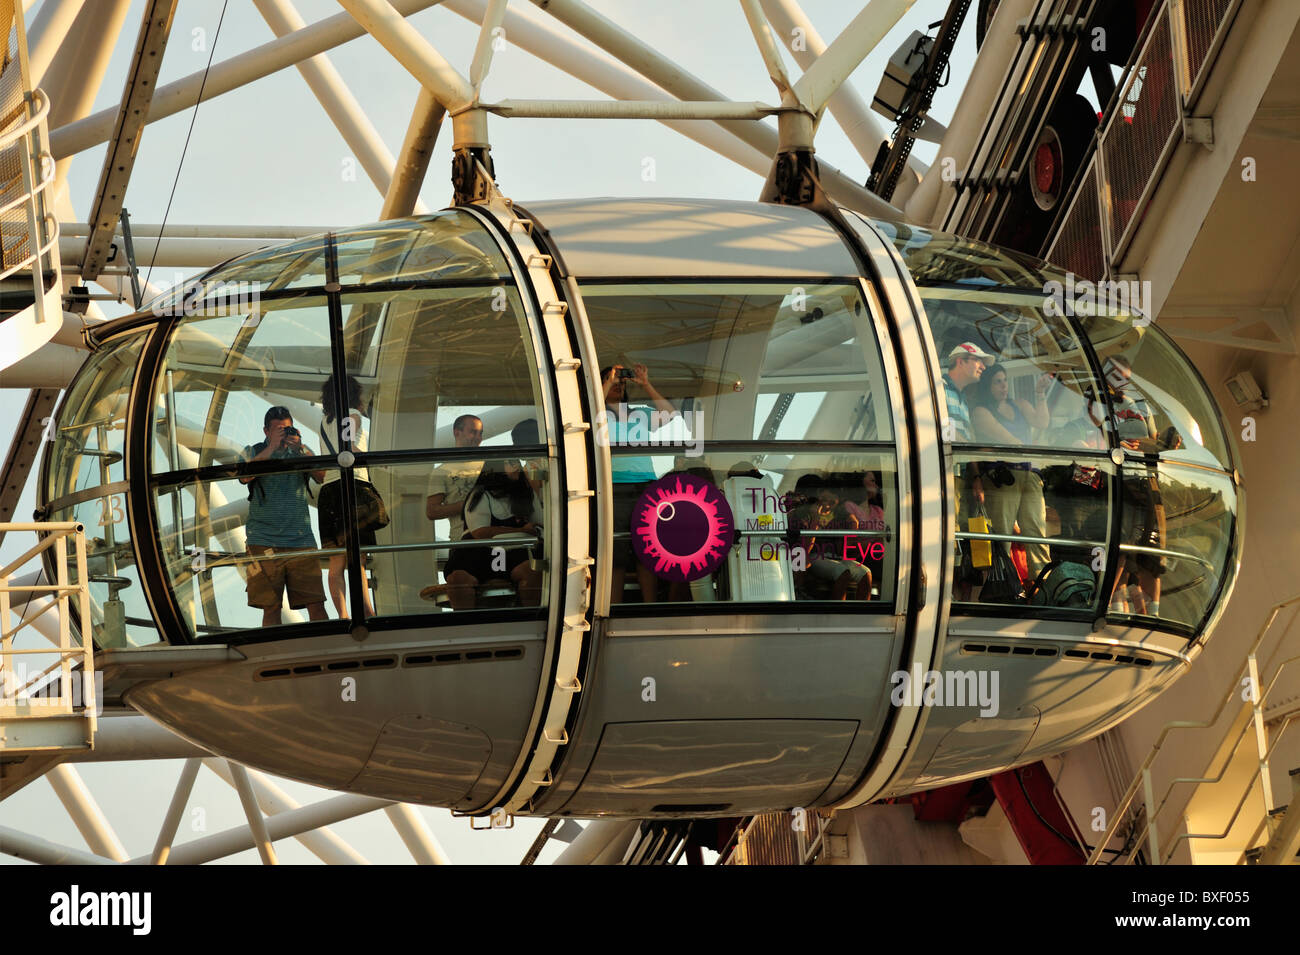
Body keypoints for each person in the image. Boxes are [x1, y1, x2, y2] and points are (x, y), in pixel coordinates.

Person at [240, 406, 328, 626]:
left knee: (316, 604)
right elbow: (243, 476)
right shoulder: (253, 450)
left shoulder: (301, 451)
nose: (284, 433)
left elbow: (322, 476)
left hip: (301, 540)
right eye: (278, 429)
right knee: (270, 607)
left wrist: (301, 450)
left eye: (287, 429)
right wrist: (271, 448)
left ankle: (323, 644)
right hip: (262, 541)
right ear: (266, 431)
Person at [602, 363, 679, 603]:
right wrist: (607, 383)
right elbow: (588, 415)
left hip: (644, 485)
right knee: (616, 555)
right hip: (613, 487)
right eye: (614, 381)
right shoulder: (595, 413)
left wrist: (646, 384)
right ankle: (613, 609)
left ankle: (650, 607)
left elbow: (670, 415)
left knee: (646, 553)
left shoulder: (639, 414)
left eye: (622, 382)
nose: (619, 385)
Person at [969, 363, 1053, 580]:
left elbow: (1042, 422)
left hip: (1028, 474)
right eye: (997, 382)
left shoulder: (1018, 404)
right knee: (1002, 534)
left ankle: (1043, 584)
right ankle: (1001, 585)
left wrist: (1040, 393)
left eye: (1005, 380)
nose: (1003, 386)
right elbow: (1010, 441)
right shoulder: (981, 411)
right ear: (987, 386)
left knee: (1037, 533)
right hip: (1002, 478)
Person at [441, 460, 544, 607]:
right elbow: (480, 533)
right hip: (479, 553)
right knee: (458, 579)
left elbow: (539, 525)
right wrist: (521, 530)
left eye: (516, 462)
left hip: (517, 550)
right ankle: (466, 620)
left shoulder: (528, 495)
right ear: (496, 467)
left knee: (532, 573)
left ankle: (528, 618)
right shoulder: (479, 495)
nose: (516, 467)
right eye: (510, 463)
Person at [316, 373, 376, 618]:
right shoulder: (353, 415)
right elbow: (348, 447)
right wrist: (374, 460)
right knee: (357, 558)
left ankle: (343, 615)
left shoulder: (324, 422)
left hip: (329, 489)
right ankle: (366, 611)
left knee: (336, 560)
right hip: (352, 487)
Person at [942, 341, 994, 599]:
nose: (982, 366)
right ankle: (946, 594)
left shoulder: (961, 398)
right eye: (978, 361)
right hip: (944, 473)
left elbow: (962, 438)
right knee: (948, 531)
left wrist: (975, 478)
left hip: (958, 475)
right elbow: (945, 433)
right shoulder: (938, 389)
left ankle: (952, 593)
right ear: (960, 361)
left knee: (956, 532)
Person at [426, 414, 485, 609]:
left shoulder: (490, 464)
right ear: (456, 432)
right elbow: (432, 511)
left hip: (490, 539)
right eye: (473, 432)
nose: (478, 437)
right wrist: (467, 504)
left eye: (480, 433)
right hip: (461, 541)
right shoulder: (442, 471)